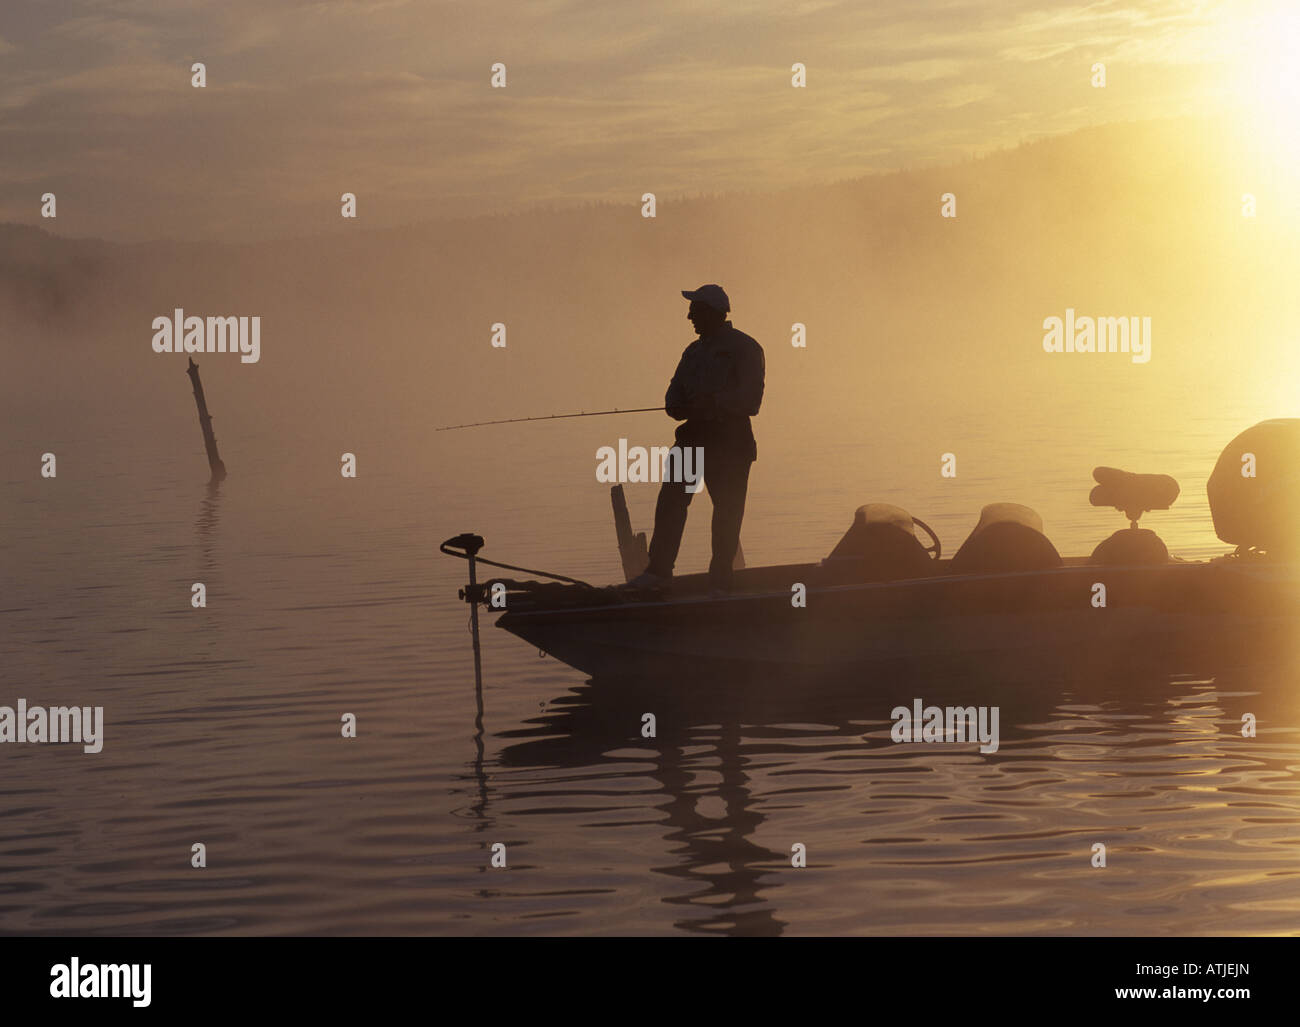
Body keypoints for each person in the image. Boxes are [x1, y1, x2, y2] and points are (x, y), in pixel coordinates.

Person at [627, 284, 765, 594]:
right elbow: (673, 393)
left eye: (695, 310)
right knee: (670, 503)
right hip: (691, 439)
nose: (689, 316)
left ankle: (721, 579)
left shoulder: (745, 348)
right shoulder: (693, 351)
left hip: (731, 442)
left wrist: (714, 402)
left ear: (714, 313)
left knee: (727, 511)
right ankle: (658, 572)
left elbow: (752, 399)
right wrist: (676, 405)